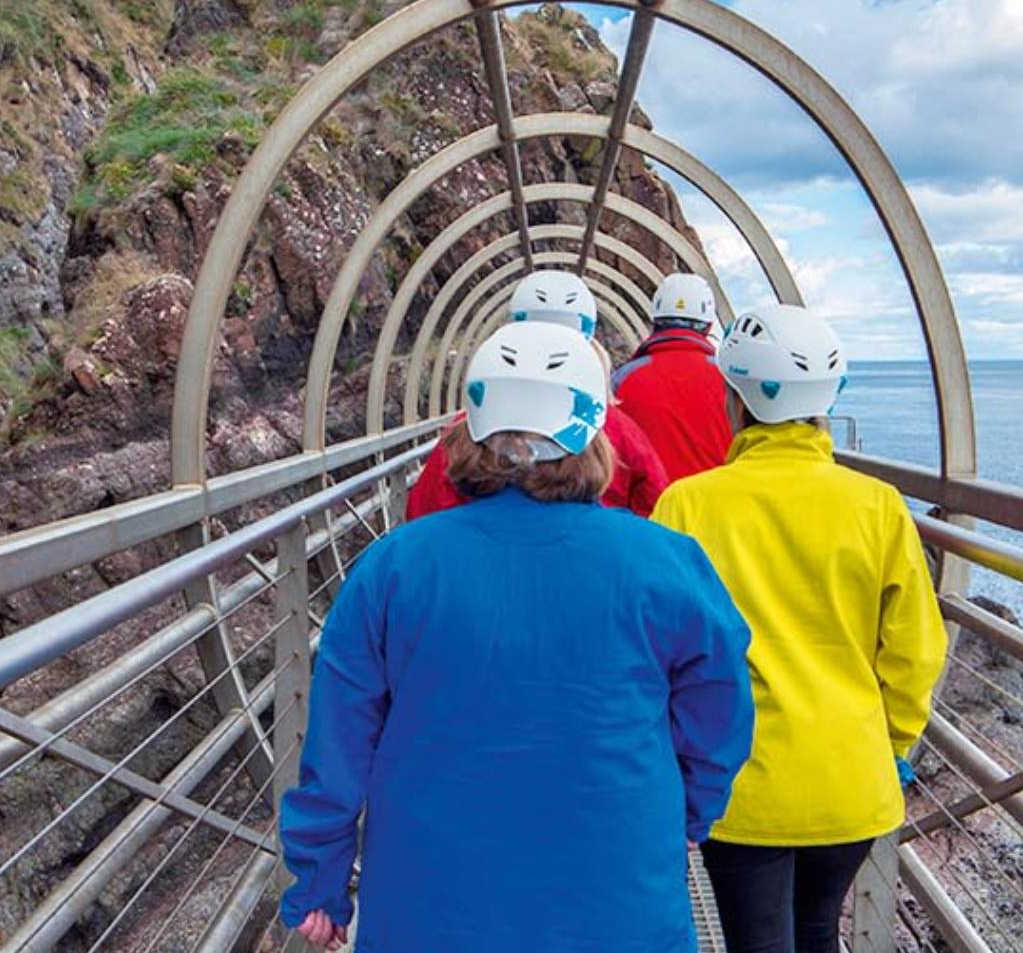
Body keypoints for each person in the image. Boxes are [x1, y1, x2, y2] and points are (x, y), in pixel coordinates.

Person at [279, 320, 755, 951]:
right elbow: (721, 711)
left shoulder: (395, 566)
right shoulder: (666, 562)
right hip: (617, 889)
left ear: (469, 429)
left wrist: (321, 879)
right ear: (597, 433)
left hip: (431, 902)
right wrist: (690, 811)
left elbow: (339, 738)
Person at [651, 304, 947, 953]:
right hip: (852, 778)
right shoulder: (878, 506)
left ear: (734, 399)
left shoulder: (687, 504)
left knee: (756, 940)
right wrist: (893, 743)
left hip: (740, 785)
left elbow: (660, 652)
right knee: (817, 930)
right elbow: (916, 648)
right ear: (827, 403)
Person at [406, 270, 671, 518]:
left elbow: (425, 507)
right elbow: (654, 498)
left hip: (478, 546)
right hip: (596, 544)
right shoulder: (614, 427)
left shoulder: (469, 431)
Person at [614, 273, 734, 479]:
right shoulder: (730, 379)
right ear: (708, 326)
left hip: (650, 499)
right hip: (718, 497)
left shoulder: (622, 379)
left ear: (655, 321)